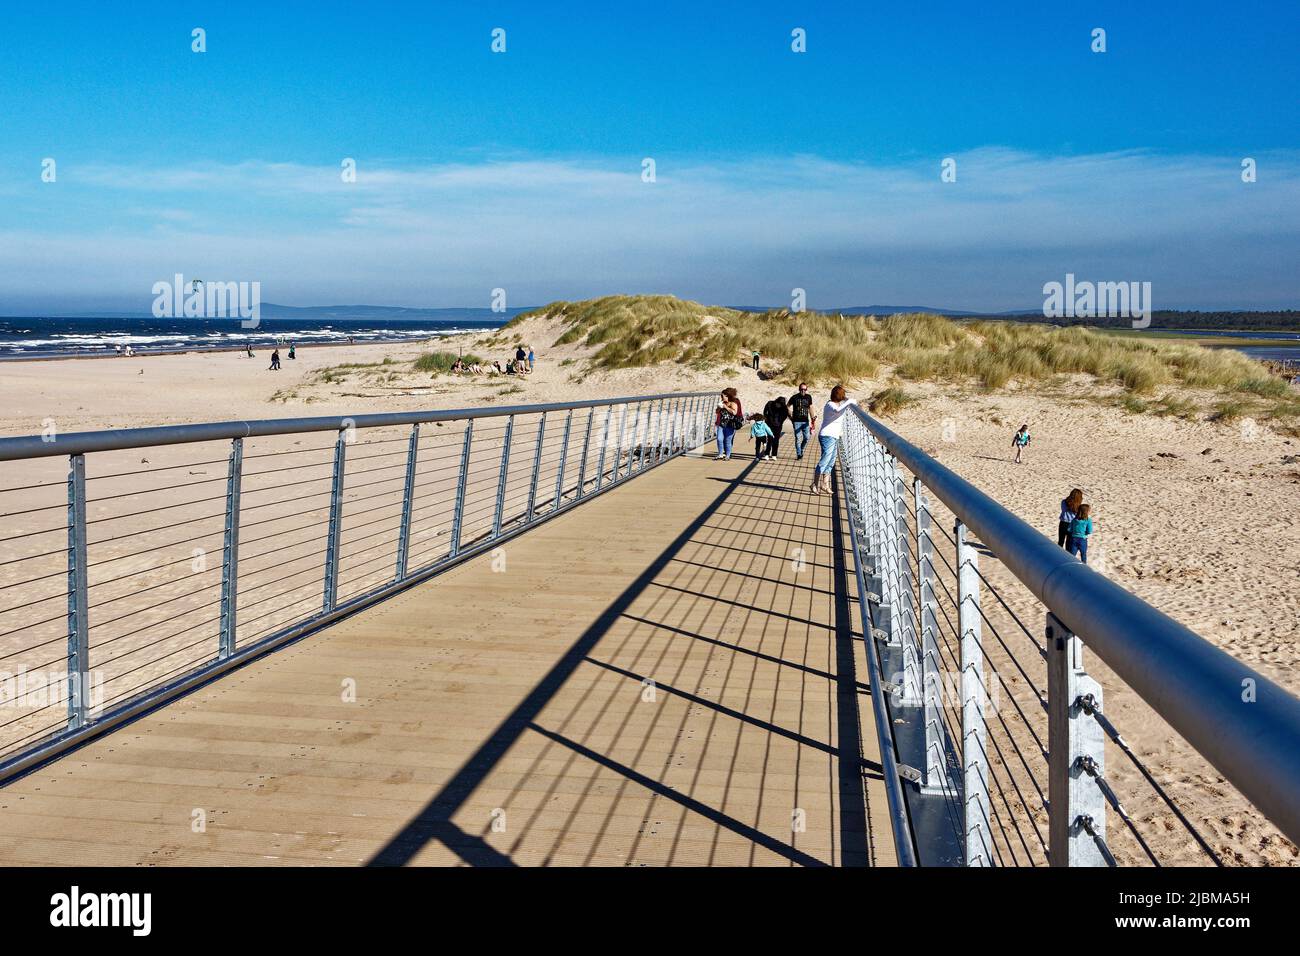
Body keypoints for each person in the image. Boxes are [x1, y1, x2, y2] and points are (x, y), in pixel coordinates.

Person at [812, 385, 856, 494]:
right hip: (827, 436)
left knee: (831, 461)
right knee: (824, 461)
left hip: (834, 436)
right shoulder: (830, 404)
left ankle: (825, 484)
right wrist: (848, 401)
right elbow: (837, 411)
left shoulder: (839, 404)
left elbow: (842, 407)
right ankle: (814, 483)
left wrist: (848, 401)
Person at [787, 383, 817, 459]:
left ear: (806, 390)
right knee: (798, 438)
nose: (803, 391)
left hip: (805, 421)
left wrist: (812, 418)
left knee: (807, 438)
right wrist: (790, 416)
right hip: (796, 421)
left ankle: (801, 449)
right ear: (799, 389)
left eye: (805, 389)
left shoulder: (808, 397)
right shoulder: (794, 397)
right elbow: (787, 406)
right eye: (801, 389)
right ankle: (799, 454)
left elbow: (810, 408)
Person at [714, 387, 743, 461]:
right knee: (719, 439)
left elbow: (734, 412)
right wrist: (719, 407)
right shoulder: (722, 403)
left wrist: (725, 407)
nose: (721, 397)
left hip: (730, 425)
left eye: (722, 396)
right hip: (721, 424)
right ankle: (720, 454)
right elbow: (717, 412)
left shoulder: (733, 403)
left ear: (727, 396)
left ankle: (727, 455)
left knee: (728, 441)